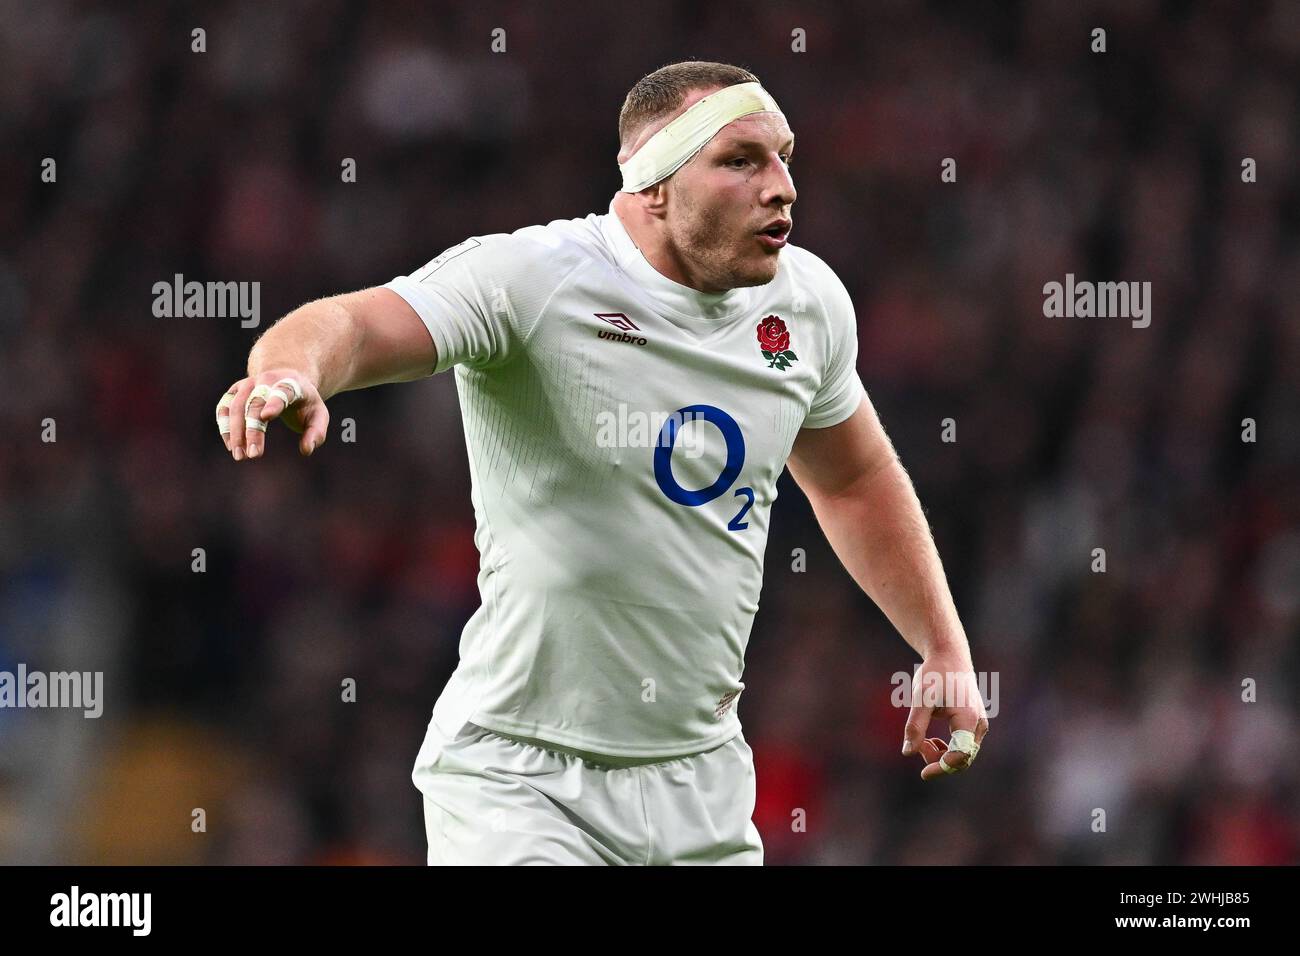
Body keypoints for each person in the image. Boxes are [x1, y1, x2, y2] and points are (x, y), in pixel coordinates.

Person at [214, 60, 989, 865]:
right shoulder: (536, 279)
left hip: (702, 782)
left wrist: (943, 645)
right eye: (741, 160)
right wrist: (292, 372)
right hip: (521, 778)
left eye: (784, 156)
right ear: (654, 183)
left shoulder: (808, 306)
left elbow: (853, 478)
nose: (783, 185)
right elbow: (354, 324)